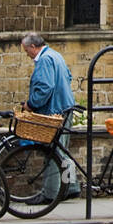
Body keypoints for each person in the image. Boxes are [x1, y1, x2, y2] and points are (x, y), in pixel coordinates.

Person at [21, 33, 80, 200]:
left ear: (33, 47)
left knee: (52, 152)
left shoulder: (45, 59)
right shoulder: (56, 55)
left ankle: (49, 194)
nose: (27, 54)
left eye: (27, 51)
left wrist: (30, 104)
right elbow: (68, 76)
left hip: (55, 111)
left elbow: (45, 88)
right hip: (66, 107)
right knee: (63, 150)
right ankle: (71, 187)